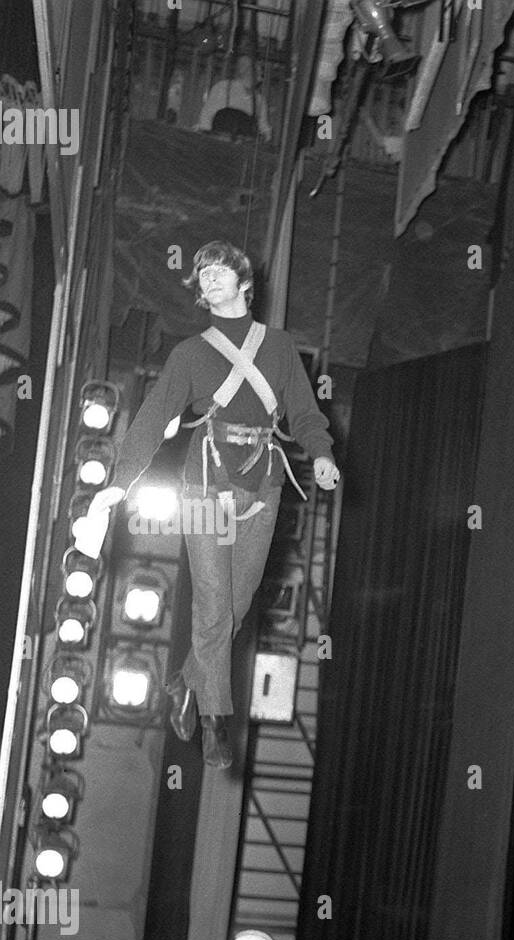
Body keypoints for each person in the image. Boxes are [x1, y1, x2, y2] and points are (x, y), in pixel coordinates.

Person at [89, 241, 340, 769]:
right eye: (202, 276)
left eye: (219, 271)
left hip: (264, 488)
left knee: (236, 607)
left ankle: (183, 681)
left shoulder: (279, 347)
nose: (209, 281)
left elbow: (304, 411)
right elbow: (152, 421)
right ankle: (213, 721)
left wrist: (321, 454)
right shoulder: (189, 355)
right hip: (205, 486)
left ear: (245, 282)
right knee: (212, 601)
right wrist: (118, 485)